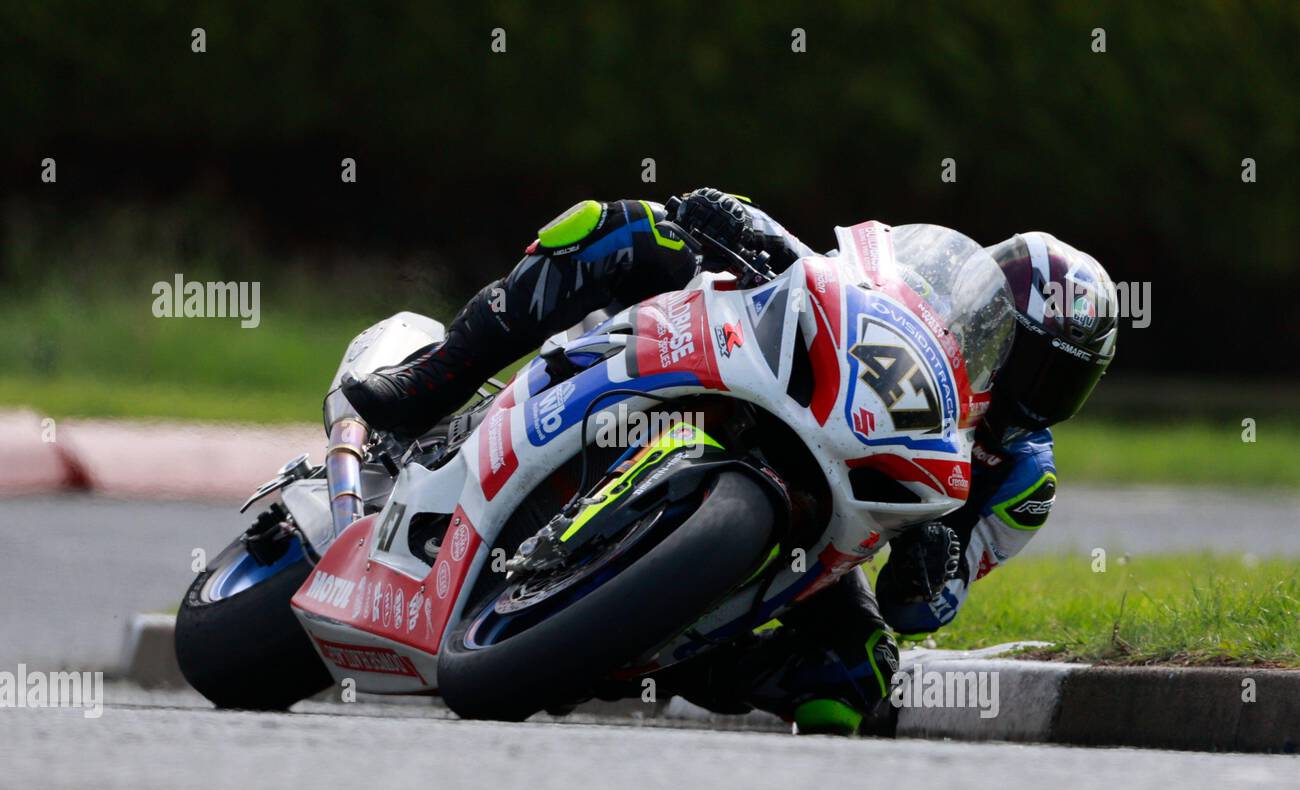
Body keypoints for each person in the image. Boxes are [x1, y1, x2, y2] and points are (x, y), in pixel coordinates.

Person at [342, 193, 1117, 734]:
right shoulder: (919, 296)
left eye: (1060, 377)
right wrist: (739, 223)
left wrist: (935, 559)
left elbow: (926, 606)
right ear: (986, 315)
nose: (1029, 387)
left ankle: (654, 646)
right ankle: (433, 377)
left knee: (863, 673)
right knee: (628, 228)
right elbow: (839, 276)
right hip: (778, 391)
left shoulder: (1024, 483)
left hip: (823, 538)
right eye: (1021, 354)